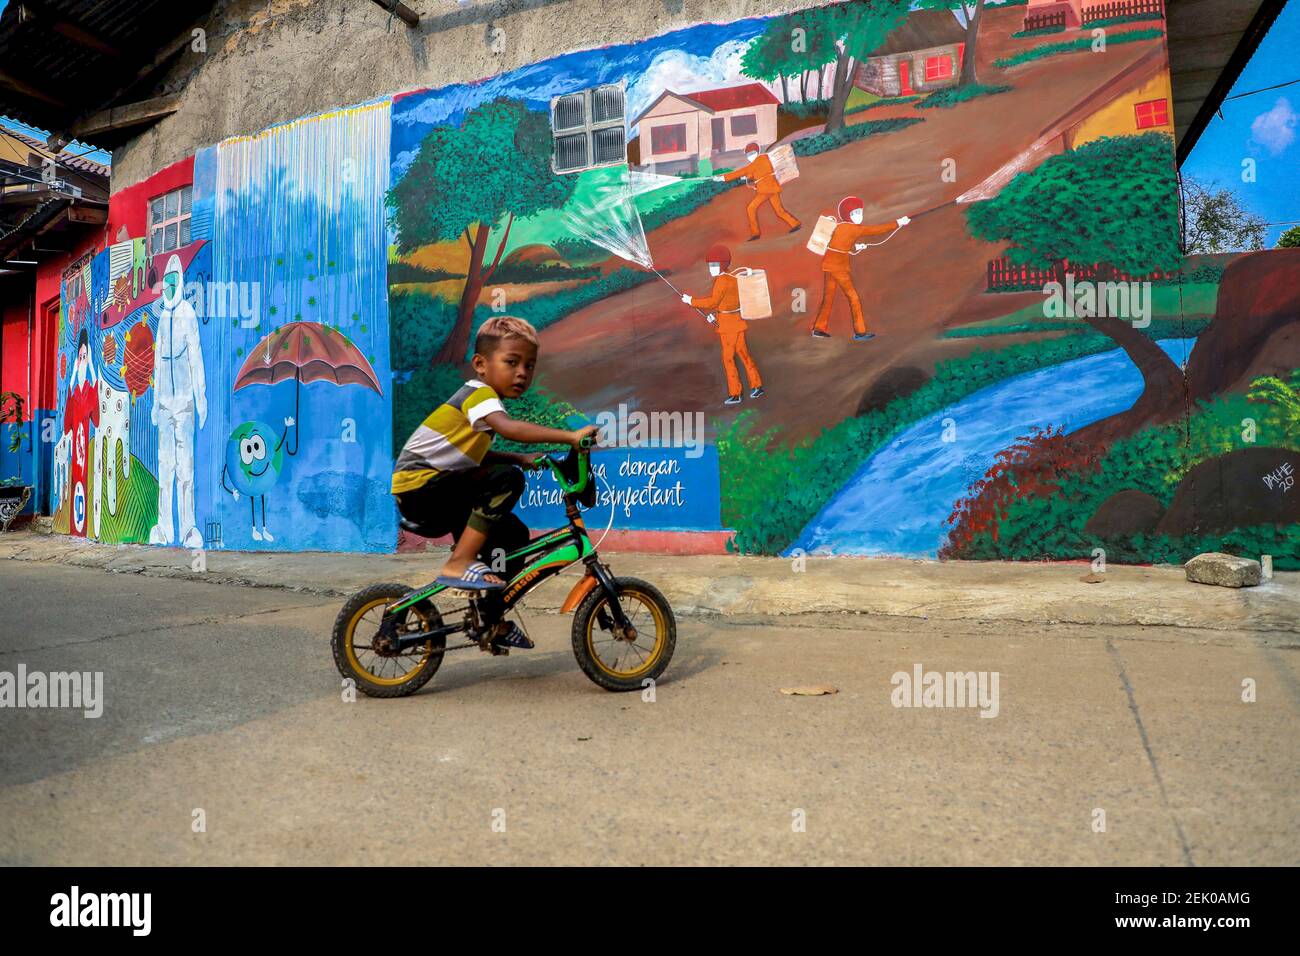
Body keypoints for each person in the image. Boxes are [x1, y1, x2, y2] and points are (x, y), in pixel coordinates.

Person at [391, 316, 597, 648]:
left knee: (511, 535)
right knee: (507, 481)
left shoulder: (480, 408)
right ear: (481, 364)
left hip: (436, 488)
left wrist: (520, 458)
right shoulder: (480, 394)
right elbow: (509, 428)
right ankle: (459, 562)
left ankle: (489, 617)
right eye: (512, 362)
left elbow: (469, 455)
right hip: (421, 491)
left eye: (529, 366)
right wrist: (570, 437)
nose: (522, 373)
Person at [149, 253, 208, 548]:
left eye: (173, 281)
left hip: (184, 404)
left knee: (185, 468)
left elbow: (196, 358)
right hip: (165, 405)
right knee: (165, 467)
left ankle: (188, 529)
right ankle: (163, 526)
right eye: (166, 283)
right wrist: (155, 404)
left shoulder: (187, 314)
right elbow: (158, 364)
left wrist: (201, 399)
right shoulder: (162, 319)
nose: (169, 287)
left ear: (180, 282)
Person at [811, 197, 910, 340]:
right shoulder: (854, 229)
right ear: (847, 215)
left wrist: (855, 247)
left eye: (859, 212)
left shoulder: (840, 226)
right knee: (854, 298)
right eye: (854, 213)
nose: (859, 215)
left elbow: (839, 244)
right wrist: (898, 223)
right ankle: (860, 332)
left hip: (829, 264)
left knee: (828, 298)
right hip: (839, 267)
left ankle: (819, 328)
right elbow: (876, 230)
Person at [681, 244, 764, 406]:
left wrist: (691, 301)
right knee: (744, 355)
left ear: (722, 264)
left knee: (728, 359)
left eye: (714, 265)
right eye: (710, 265)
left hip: (728, 327)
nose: (711, 268)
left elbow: (713, 301)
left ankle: (735, 393)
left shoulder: (721, 281)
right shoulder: (733, 278)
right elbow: (728, 303)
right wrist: (716, 316)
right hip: (737, 321)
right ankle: (757, 385)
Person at [714, 142, 800, 240]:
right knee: (779, 210)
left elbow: (742, 171)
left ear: (756, 153)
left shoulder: (755, 164)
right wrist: (747, 176)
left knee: (751, 208)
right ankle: (795, 224)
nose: (750, 157)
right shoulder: (764, 159)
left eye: (751, 154)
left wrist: (721, 178)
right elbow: (757, 172)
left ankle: (755, 233)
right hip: (773, 188)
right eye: (748, 155)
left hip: (766, 190)